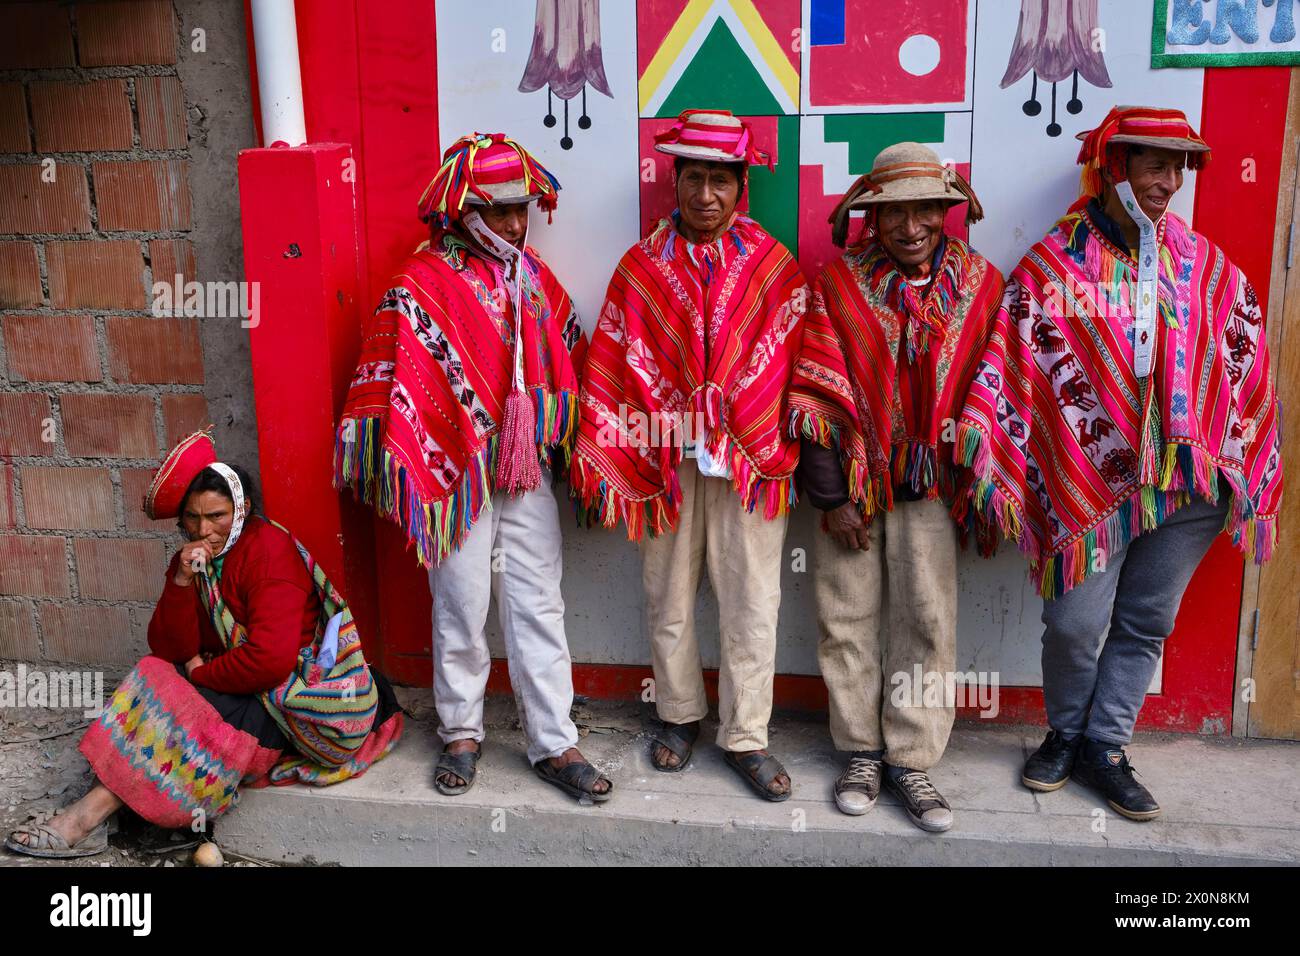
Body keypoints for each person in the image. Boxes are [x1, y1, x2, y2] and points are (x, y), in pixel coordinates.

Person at [957, 106, 1283, 820]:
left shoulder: (1204, 265)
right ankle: (1065, 734)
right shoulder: (1053, 266)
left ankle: (1106, 747)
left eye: (1179, 166)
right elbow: (1016, 366)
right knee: (1074, 624)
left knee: (1145, 622)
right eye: (1152, 163)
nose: (1168, 180)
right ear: (1114, 166)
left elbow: (1242, 354)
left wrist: (1232, 443)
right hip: (1090, 485)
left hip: (1187, 488)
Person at [334, 132, 610, 803]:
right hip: (451, 474)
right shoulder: (419, 285)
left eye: (523, 210)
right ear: (462, 211)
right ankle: (461, 730)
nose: (516, 224)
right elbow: (395, 380)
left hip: (525, 470)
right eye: (501, 211)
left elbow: (565, 364)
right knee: (460, 600)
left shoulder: (536, 278)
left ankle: (554, 740)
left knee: (538, 599)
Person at [5, 429, 403, 859]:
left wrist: (199, 673)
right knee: (152, 676)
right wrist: (180, 581)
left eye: (217, 515)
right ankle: (117, 807)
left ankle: (83, 820)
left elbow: (270, 660)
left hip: (287, 699)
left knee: (185, 707)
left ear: (242, 510)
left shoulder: (269, 552)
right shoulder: (200, 561)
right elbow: (167, 646)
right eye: (192, 518)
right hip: (242, 677)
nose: (204, 529)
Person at [571, 109, 808, 801]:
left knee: (752, 601)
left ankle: (747, 736)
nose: (706, 195)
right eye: (695, 178)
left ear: (743, 186)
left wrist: (748, 413)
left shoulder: (772, 265)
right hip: (663, 459)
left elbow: (792, 356)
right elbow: (617, 355)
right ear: (674, 181)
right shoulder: (641, 267)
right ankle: (677, 715)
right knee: (667, 596)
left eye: (721, 181)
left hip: (750, 461)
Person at [787, 142, 1003, 832]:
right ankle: (858, 750)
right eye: (893, 214)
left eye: (925, 210)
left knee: (926, 620)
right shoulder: (839, 285)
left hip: (934, 490)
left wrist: (981, 487)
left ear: (948, 211)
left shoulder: (980, 283)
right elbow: (815, 389)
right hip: (857, 485)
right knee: (845, 615)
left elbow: (996, 387)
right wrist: (833, 496)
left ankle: (911, 757)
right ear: (869, 220)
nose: (910, 227)